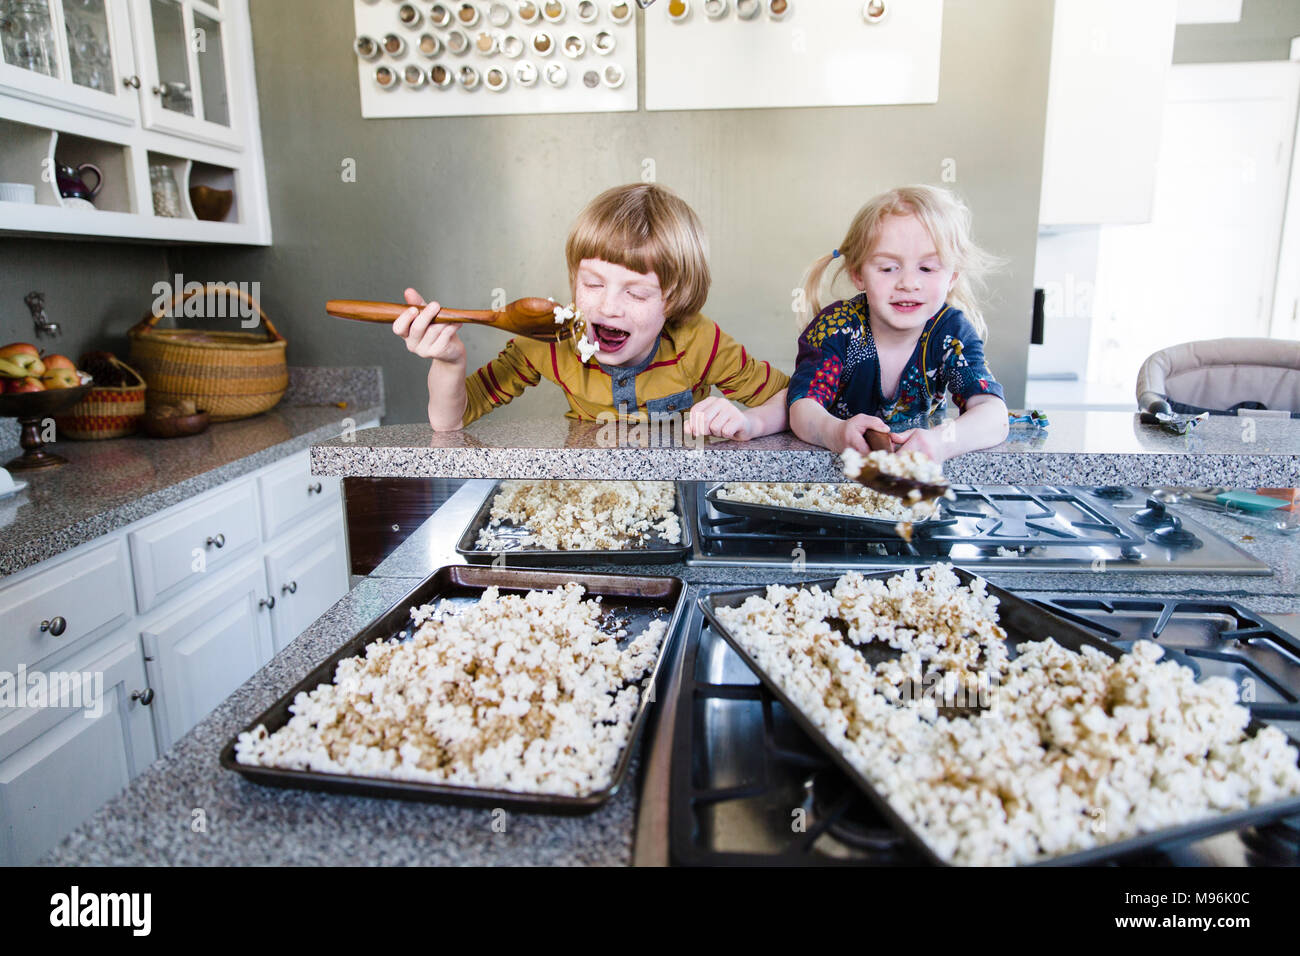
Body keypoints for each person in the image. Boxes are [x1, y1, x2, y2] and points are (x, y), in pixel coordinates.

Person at [394, 183, 789, 440]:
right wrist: (448, 363)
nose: (608, 306)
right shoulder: (547, 339)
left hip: (682, 499)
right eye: (593, 284)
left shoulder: (699, 342)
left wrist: (747, 420)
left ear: (674, 300)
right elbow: (450, 422)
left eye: (636, 293)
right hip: (589, 499)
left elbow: (791, 400)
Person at [787, 184, 1009, 462]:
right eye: (888, 268)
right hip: (831, 481)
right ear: (858, 274)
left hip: (913, 482)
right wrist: (836, 433)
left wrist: (941, 443)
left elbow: (993, 415)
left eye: (927, 268)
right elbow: (802, 407)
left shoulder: (951, 332)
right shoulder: (837, 327)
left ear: (952, 276)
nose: (908, 283)